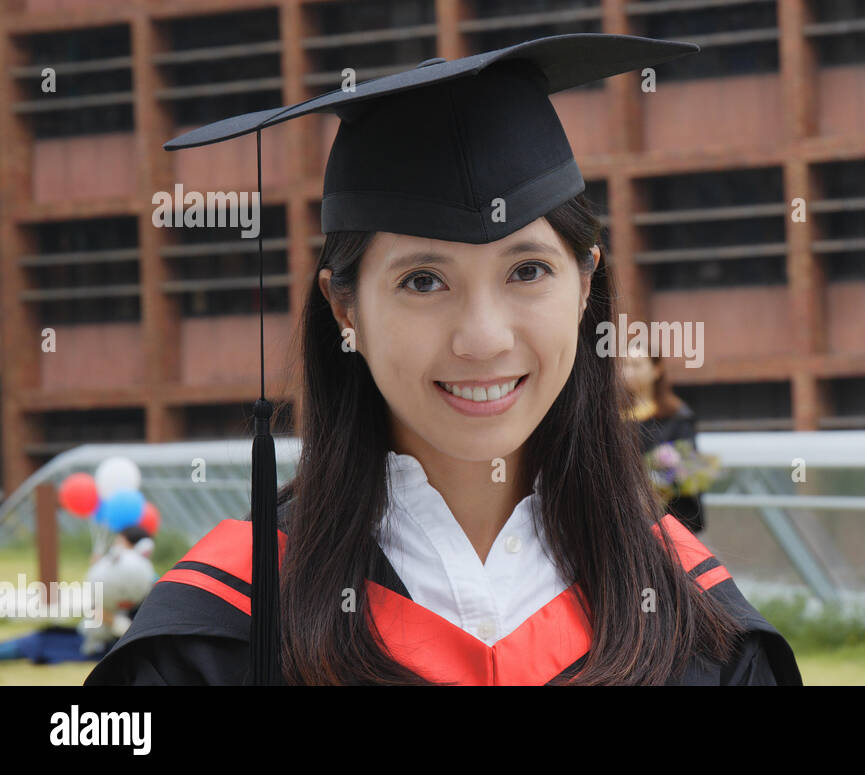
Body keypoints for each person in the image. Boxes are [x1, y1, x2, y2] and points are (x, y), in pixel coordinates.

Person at [84, 34, 801, 686]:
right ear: (345, 308)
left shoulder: (701, 629)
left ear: (585, 284)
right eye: (422, 281)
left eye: (527, 270)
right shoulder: (218, 635)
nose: (482, 337)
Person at [0, 526, 155, 664]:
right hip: (91, 636)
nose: (115, 546)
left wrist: (109, 618)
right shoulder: (124, 574)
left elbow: (137, 631)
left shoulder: (146, 584)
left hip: (102, 645)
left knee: (38, 642)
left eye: (120, 542)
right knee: (45, 634)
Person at [623, 343, 708, 534]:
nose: (628, 372)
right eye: (625, 365)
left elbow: (690, 470)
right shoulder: (612, 417)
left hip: (665, 519)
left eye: (636, 365)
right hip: (624, 520)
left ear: (656, 370)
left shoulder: (676, 417)